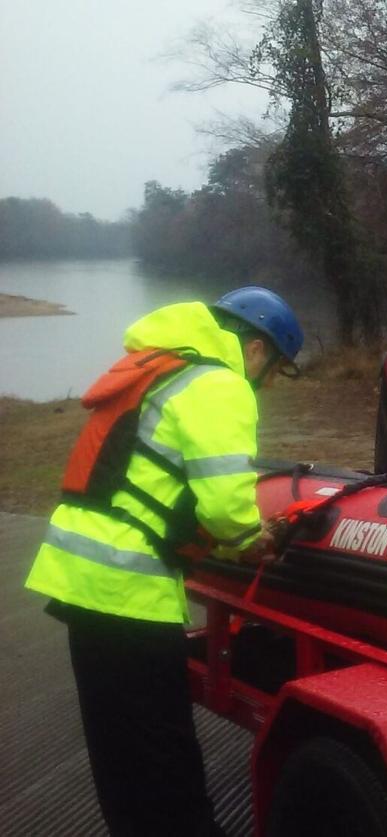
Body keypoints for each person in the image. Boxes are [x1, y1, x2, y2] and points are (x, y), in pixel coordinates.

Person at [24, 286, 303, 837]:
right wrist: (254, 538)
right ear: (254, 348)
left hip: (80, 580)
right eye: (273, 368)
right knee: (162, 749)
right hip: (130, 590)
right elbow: (226, 508)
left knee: (118, 749)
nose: (267, 382)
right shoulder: (219, 384)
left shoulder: (162, 368)